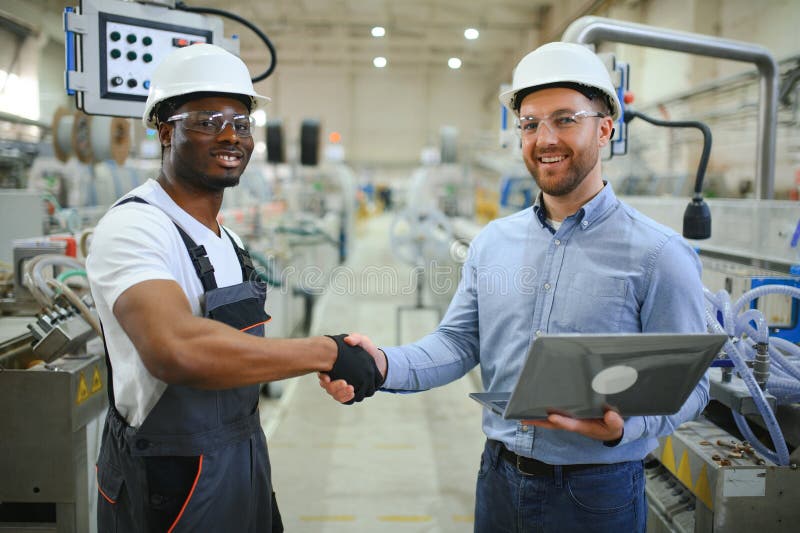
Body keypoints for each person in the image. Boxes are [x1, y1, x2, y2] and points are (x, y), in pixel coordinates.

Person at [320, 42, 709, 532]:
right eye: (530, 123)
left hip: (596, 492)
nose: (545, 138)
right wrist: (384, 364)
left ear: (605, 127)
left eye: (565, 119)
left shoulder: (658, 255)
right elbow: (459, 343)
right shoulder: (493, 242)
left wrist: (627, 428)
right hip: (499, 477)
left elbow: (693, 384)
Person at [87, 43, 380, 533]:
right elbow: (175, 348)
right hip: (169, 481)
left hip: (241, 461)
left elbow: (238, 357)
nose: (231, 136)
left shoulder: (231, 241)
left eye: (242, 123)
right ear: (165, 130)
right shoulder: (136, 228)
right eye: (207, 121)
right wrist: (323, 352)